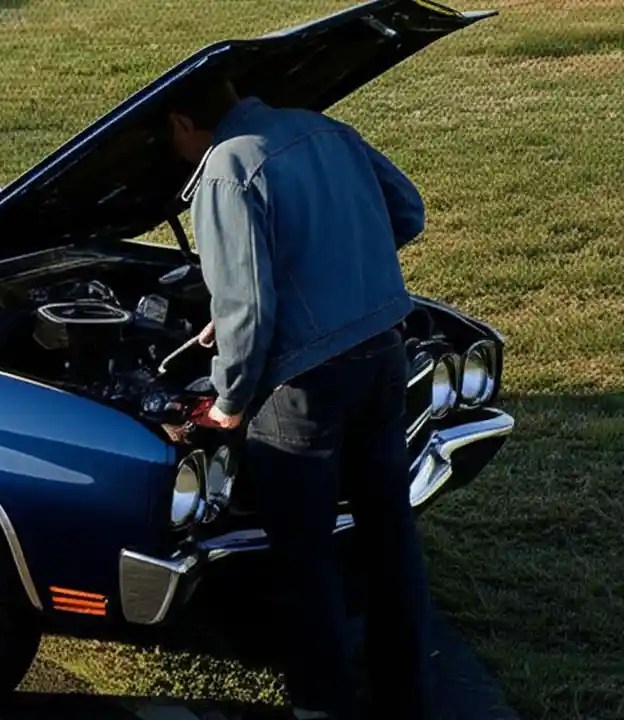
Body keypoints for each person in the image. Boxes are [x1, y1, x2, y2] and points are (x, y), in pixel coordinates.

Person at [168, 79, 431, 720]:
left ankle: (321, 703)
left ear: (182, 122)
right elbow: (408, 211)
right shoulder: (327, 128)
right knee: (388, 529)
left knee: (305, 556)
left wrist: (229, 401)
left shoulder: (226, 169)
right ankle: (405, 688)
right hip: (384, 352)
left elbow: (248, 311)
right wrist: (334, 271)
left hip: (305, 388)